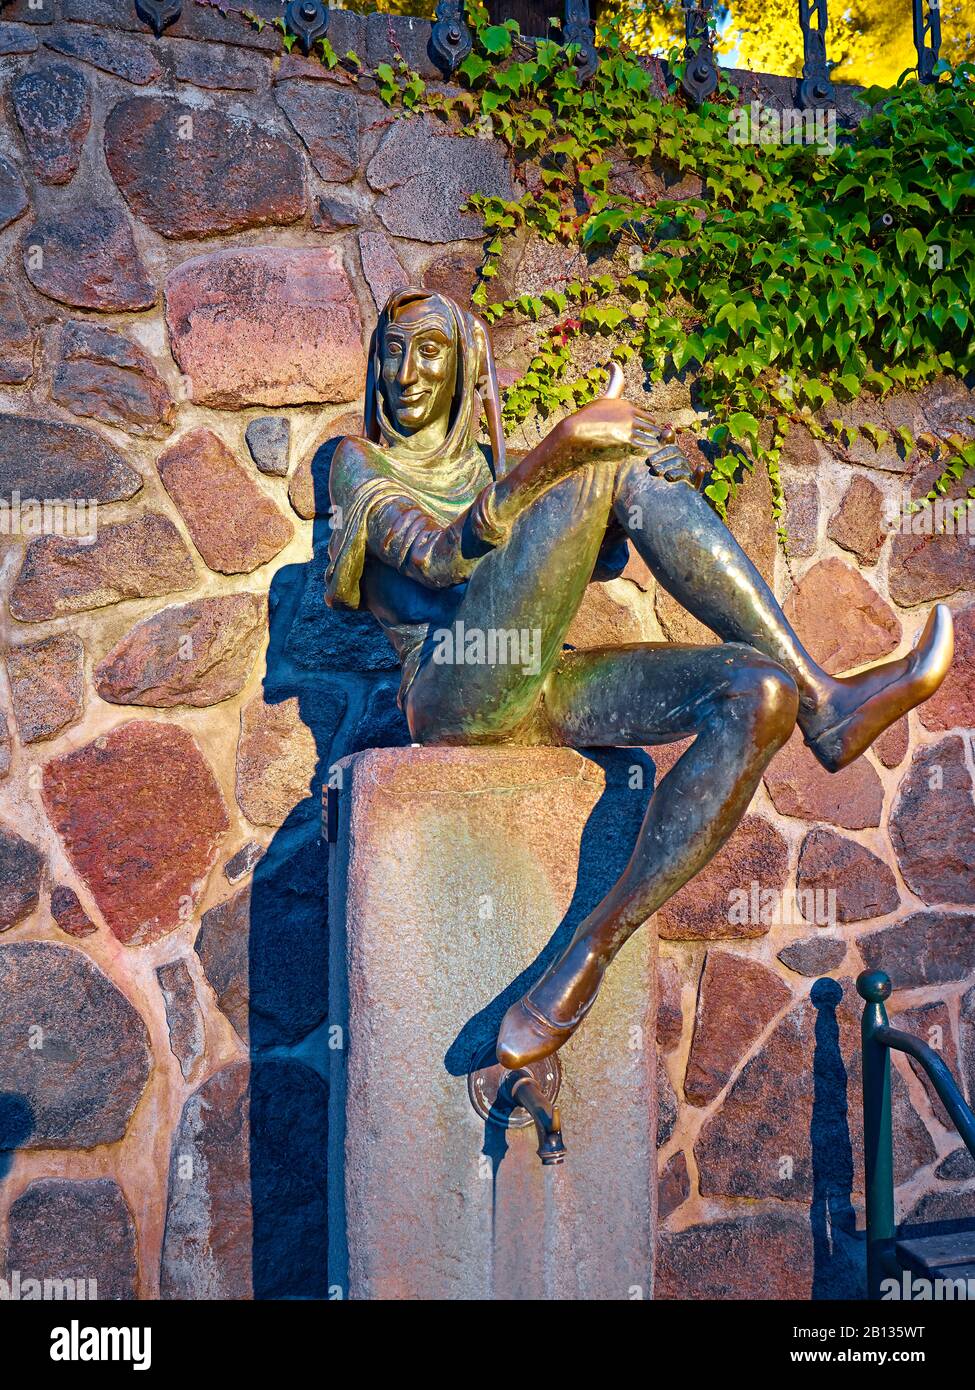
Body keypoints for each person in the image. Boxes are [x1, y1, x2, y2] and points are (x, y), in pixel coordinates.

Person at [326, 287, 953, 1069]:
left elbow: (595, 558)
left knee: (756, 692)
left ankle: (591, 950)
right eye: (392, 351)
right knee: (602, 458)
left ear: (463, 369)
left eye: (429, 352)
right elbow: (433, 557)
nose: (407, 373)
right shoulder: (356, 464)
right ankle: (827, 704)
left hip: (539, 685)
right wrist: (563, 454)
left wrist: (647, 480)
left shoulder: (491, 469)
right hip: (452, 694)